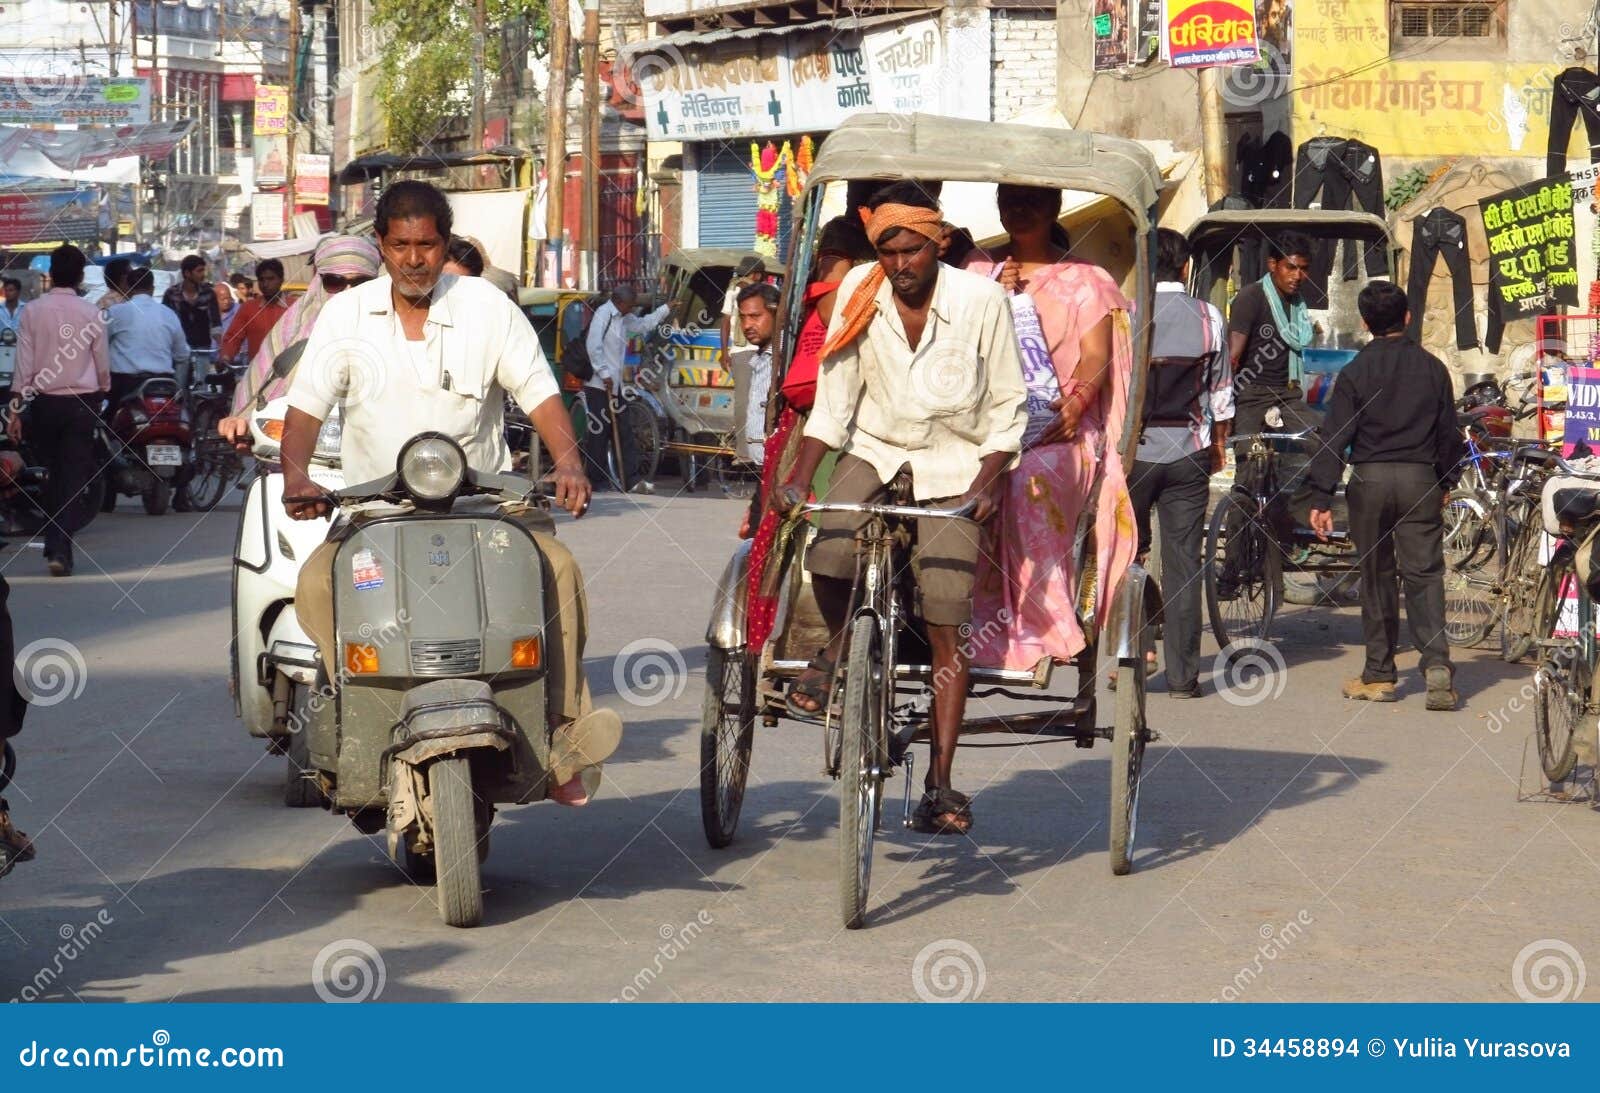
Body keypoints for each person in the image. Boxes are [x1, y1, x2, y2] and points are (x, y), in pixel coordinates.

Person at [278, 179, 618, 805]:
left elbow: (541, 394)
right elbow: (303, 412)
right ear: (381, 245)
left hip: (484, 512)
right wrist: (295, 474)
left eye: (427, 246)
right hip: (374, 518)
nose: (414, 259)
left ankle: (562, 735)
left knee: (559, 573)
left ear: (443, 246)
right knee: (318, 584)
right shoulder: (347, 315)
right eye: (401, 245)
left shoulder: (487, 308)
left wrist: (570, 462)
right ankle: (349, 723)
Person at [772, 181, 1027, 835]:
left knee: (947, 619)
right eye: (887, 254)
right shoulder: (860, 291)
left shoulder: (982, 300)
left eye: (911, 251)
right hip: (877, 448)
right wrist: (800, 475)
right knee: (827, 552)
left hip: (956, 461)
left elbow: (1007, 405)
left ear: (936, 241)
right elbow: (833, 400)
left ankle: (940, 784)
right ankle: (839, 651)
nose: (900, 266)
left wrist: (991, 478)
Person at [963, 183, 1138, 673]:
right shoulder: (976, 271)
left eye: (1031, 202)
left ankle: (1037, 625)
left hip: (1060, 428)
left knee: (1025, 481)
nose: (1019, 212)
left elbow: (1097, 356)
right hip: (982, 424)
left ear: (1054, 208)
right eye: (1010, 202)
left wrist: (1075, 406)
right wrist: (993, 289)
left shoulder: (1088, 280)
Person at [1307, 281, 1461, 711]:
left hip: (1370, 482)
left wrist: (1321, 496)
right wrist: (1446, 481)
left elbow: (1335, 435)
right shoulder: (1433, 369)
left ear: (1364, 323)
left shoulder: (1356, 372)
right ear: (1407, 317)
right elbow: (1448, 434)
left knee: (1375, 575)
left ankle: (1379, 673)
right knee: (1424, 574)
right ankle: (1437, 667)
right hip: (1420, 481)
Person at [742, 215, 873, 657]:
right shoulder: (834, 294)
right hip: (824, 420)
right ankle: (810, 641)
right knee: (811, 525)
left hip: (859, 417)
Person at [1127, 229, 1233, 697]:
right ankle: (1183, 677)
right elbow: (1222, 395)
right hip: (1189, 453)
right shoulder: (1209, 316)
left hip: (1133, 456)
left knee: (1123, 558)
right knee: (1184, 564)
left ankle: (1126, 661)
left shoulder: (1127, 317)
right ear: (1187, 268)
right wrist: (1219, 446)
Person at [1218, 230, 1321, 598]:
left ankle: (1291, 521)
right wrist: (1223, 407)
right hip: (1251, 395)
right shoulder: (1250, 298)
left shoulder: (1298, 304)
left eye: (1303, 269)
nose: (1297, 276)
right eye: (1291, 267)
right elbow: (1232, 356)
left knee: (1326, 443)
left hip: (1289, 394)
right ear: (1273, 265)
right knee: (1246, 482)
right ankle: (1231, 571)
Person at [217, 235, 381, 448]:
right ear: (320, 282)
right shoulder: (292, 325)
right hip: (293, 451)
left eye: (361, 282)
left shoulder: (393, 330)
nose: (348, 292)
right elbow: (262, 378)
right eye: (335, 281)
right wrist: (242, 421)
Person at [9, 244, 110, 577]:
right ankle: (60, 548)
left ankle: (56, 545)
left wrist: (15, 410)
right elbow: (102, 364)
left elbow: (23, 366)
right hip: (82, 402)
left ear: (50, 273)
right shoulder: (91, 313)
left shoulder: (32, 311)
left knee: (52, 473)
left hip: (44, 403)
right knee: (72, 476)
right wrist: (104, 389)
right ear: (81, 276)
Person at [582, 283, 669, 491]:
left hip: (615, 385)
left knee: (624, 431)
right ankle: (596, 480)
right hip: (598, 385)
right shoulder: (604, 314)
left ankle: (631, 480)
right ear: (619, 301)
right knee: (599, 434)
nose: (631, 309)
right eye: (630, 305)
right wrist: (603, 373)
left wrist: (664, 310)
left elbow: (642, 325)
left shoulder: (623, 317)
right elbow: (593, 346)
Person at [105, 266, 189, 407]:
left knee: (110, 422)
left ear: (129, 289)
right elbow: (182, 355)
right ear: (152, 288)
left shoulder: (115, 312)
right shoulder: (168, 314)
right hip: (164, 385)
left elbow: (100, 345)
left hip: (125, 386)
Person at [734, 282, 778, 466]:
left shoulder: (783, 358)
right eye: (743, 318)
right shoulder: (761, 358)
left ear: (777, 314)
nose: (747, 325)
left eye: (755, 316)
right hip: (762, 465)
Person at [219, 257, 288, 365]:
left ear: (281, 280)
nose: (265, 284)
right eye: (261, 280)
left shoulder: (294, 306)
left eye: (270, 279)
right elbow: (233, 337)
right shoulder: (248, 308)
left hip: (289, 373)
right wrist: (226, 357)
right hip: (257, 372)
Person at [163, 254, 222, 353]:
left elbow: (215, 323)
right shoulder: (171, 294)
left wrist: (220, 347)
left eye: (203, 270)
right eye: (199, 271)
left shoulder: (208, 293)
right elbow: (165, 322)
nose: (203, 274)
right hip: (178, 349)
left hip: (203, 349)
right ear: (187, 273)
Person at [719, 256, 765, 370]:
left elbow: (725, 321)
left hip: (741, 351)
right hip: (755, 351)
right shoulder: (765, 292)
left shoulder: (733, 289)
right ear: (757, 275)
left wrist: (724, 352)